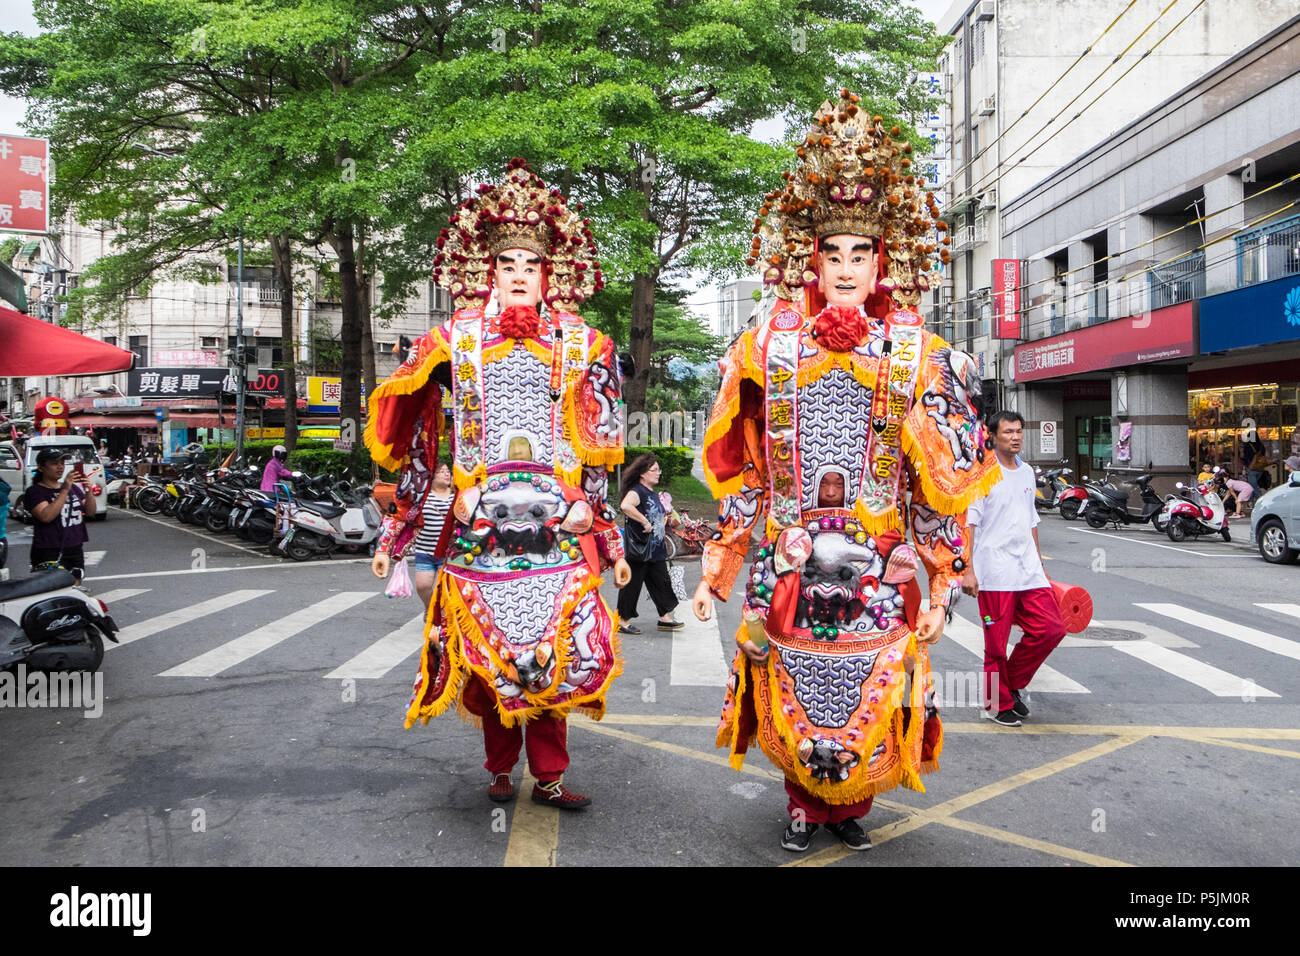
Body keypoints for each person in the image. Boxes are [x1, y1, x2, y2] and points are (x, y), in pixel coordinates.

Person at [694, 92, 999, 853]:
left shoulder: (921, 354)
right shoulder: (767, 348)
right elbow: (749, 475)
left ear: (882, 262)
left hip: (880, 562)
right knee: (792, 676)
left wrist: (944, 581)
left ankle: (851, 802)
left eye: (860, 255)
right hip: (791, 560)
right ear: (812, 260)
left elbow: (934, 486)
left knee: (869, 681)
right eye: (832, 254)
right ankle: (803, 805)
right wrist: (721, 568)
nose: (844, 270)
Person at [366, 159, 630, 810]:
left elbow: (597, 455)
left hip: (555, 527)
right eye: (506, 263)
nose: (517, 275)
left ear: (550, 273)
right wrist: (399, 530)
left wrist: (605, 533)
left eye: (529, 265)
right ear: (489, 271)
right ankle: (499, 767)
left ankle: (551, 776)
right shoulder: (455, 340)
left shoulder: (582, 344)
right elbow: (423, 439)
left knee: (554, 656)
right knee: (490, 661)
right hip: (481, 526)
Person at [961, 411, 1067, 727]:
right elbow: (969, 522)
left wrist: (1040, 563)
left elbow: (1031, 519)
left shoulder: (1027, 472)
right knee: (996, 646)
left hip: (1028, 571)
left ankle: (1009, 684)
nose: (1016, 437)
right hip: (994, 573)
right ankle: (997, 703)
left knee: (1051, 629)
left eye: (1019, 431)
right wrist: (968, 569)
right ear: (992, 437)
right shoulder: (981, 474)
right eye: (1008, 432)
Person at [616, 454, 682, 634]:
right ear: (642, 473)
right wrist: (644, 522)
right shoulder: (637, 491)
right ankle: (623, 620)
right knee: (632, 585)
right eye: (654, 470)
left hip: (656, 549)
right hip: (640, 548)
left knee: (662, 582)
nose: (658, 473)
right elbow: (625, 506)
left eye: (658, 470)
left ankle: (665, 618)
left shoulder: (651, 493)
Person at [25, 448, 98, 581]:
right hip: (48, 550)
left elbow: (91, 512)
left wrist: (88, 491)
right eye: (54, 463)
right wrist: (64, 490)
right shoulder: (35, 492)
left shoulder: (73, 488)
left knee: (75, 590)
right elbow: (46, 516)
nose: (60, 467)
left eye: (62, 463)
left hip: (74, 548)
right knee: (51, 591)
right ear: (41, 468)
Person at [411, 461, 454, 611]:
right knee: (422, 586)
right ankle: (430, 608)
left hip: (448, 552)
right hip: (424, 550)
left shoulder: (456, 496)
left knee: (447, 588)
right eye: (442, 471)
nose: (447, 474)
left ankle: (441, 615)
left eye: (448, 471)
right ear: (431, 477)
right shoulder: (421, 497)